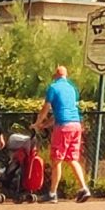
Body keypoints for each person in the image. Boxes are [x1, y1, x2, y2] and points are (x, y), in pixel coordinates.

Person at [40, 64, 92, 202]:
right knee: (72, 159)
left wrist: (38, 122)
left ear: (55, 75)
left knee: (56, 160)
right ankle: (84, 188)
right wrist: (45, 124)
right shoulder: (72, 88)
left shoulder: (53, 87)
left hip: (63, 127)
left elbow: (46, 108)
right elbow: (61, 112)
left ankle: (52, 193)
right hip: (75, 125)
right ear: (66, 75)